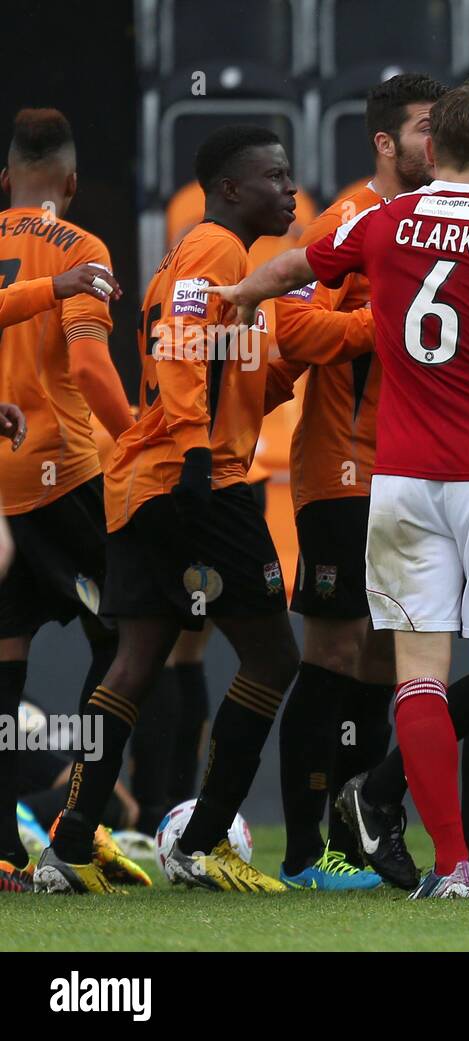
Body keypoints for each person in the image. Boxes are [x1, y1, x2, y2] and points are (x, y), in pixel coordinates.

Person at [207, 83, 469, 898]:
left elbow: (298, 263)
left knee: (420, 673)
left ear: (432, 153)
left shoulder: (382, 220)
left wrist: (244, 294)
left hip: (400, 479)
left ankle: (451, 866)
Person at [35, 124, 372, 895]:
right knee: (275, 657)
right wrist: (193, 452)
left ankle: (72, 845)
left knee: (136, 660)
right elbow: (184, 345)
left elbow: (236, 366)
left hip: (141, 482)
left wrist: (311, 364)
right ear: (229, 189)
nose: (290, 190)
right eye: (275, 176)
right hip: (198, 480)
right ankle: (205, 838)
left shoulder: (214, 258)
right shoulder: (218, 248)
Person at [266, 72, 446, 892]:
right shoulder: (349, 219)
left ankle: (363, 832)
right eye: (421, 129)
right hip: (340, 465)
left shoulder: (437, 223)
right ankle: (306, 853)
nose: (435, 144)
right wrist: (384, 323)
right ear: (385, 142)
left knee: (380, 654)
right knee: (334, 646)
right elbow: (292, 327)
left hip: (407, 467)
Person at [0, 108, 139, 893]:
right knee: (124, 640)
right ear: (73, 184)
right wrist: (136, 441)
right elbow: (90, 370)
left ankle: (3, 852)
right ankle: (77, 831)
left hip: (3, 495)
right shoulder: (81, 248)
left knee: (3, 667)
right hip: (67, 478)